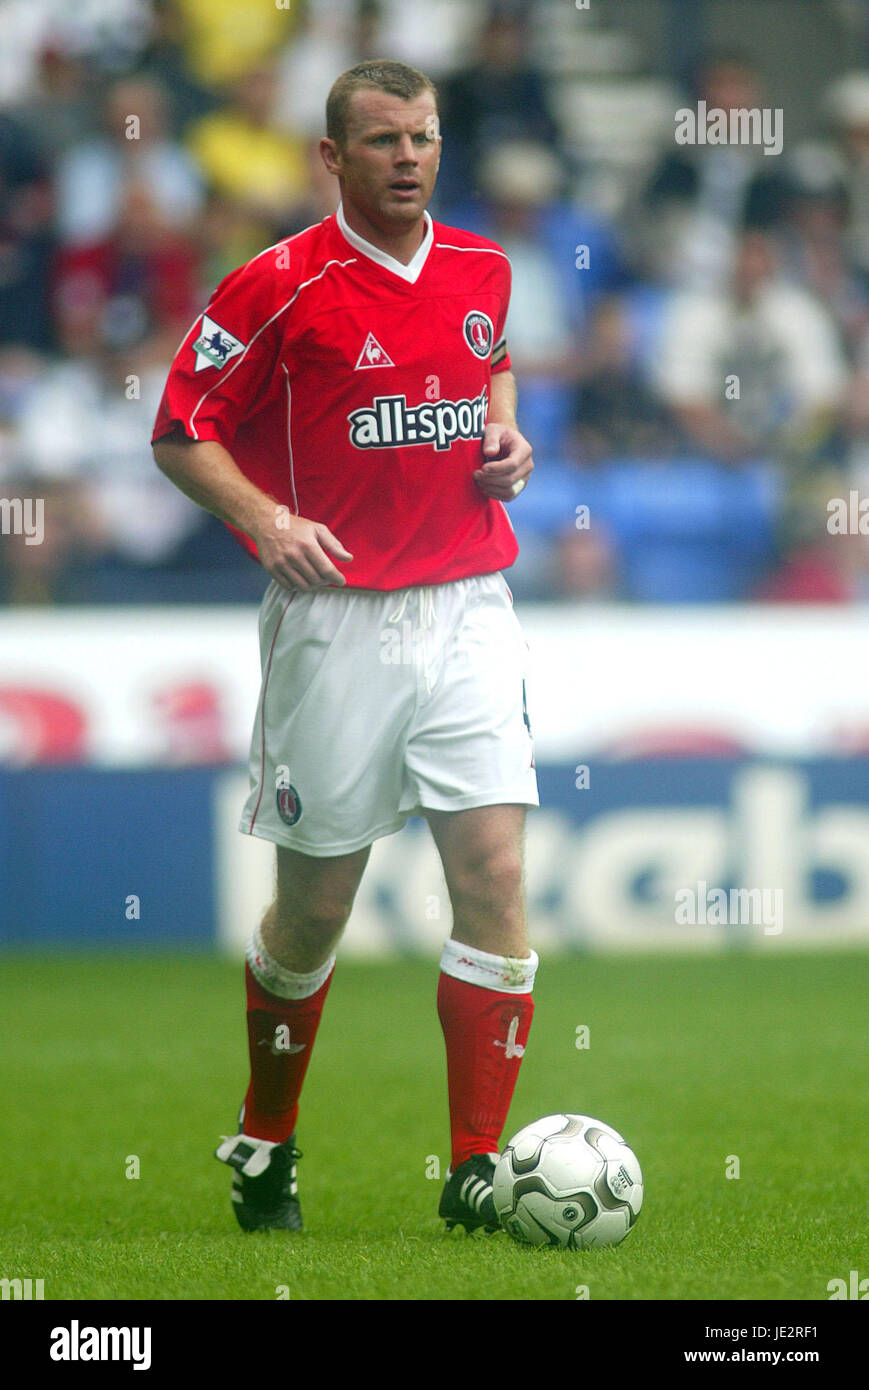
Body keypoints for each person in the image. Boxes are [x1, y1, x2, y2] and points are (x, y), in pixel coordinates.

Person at [151, 59, 539, 1235]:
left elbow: (489, 362)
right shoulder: (275, 284)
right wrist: (266, 519)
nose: (409, 157)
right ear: (332, 156)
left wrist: (506, 434)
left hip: (470, 601)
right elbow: (178, 431)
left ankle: (476, 1166)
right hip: (337, 618)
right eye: (382, 141)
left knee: (494, 878)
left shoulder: (482, 266)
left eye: (421, 136)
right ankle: (265, 1137)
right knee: (314, 912)